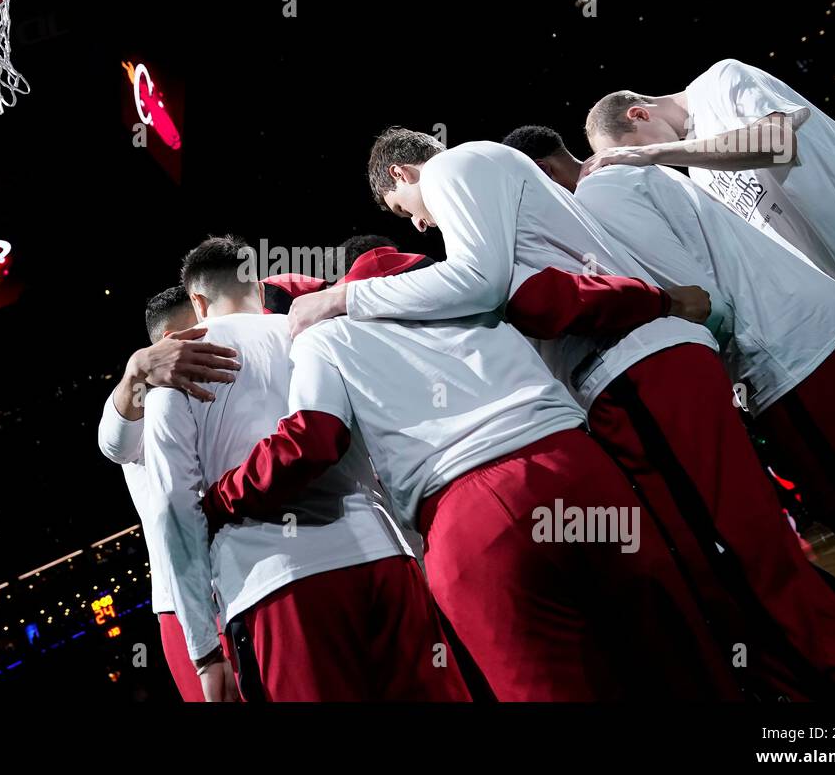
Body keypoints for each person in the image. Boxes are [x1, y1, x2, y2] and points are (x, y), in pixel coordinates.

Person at [288, 129, 835, 699]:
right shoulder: (502, 189)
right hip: (640, 371)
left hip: (635, 368)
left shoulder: (456, 166)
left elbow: (478, 281)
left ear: (402, 173)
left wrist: (345, 297)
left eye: (406, 211)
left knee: (745, 576)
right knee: (731, 579)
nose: (419, 227)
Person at [203, 242, 758, 700]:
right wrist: (664, 299)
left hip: (468, 517)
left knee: (545, 687)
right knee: (683, 662)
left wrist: (222, 496)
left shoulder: (325, 333)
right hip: (576, 469)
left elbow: (313, 440)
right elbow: (564, 297)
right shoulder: (467, 284)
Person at [506, 122, 835, 691]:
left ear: (540, 175)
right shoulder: (629, 175)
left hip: (792, 358)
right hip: (824, 333)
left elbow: (705, 302)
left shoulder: (599, 194)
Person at [144, 236, 469, 701]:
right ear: (258, 286)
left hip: (278, 584)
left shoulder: (172, 380)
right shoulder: (320, 332)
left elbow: (174, 514)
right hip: (383, 559)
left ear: (197, 302)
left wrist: (204, 650)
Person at [582, 59, 835, 423]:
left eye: (630, 150)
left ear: (639, 114)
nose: (642, 165)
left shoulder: (721, 81)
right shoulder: (696, 168)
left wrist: (647, 153)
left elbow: (777, 142)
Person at [97, 286, 243, 701]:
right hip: (188, 609)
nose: (210, 343)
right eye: (195, 337)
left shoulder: (228, 383)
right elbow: (113, 444)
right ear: (165, 345)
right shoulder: (138, 404)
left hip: (252, 581)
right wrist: (136, 371)